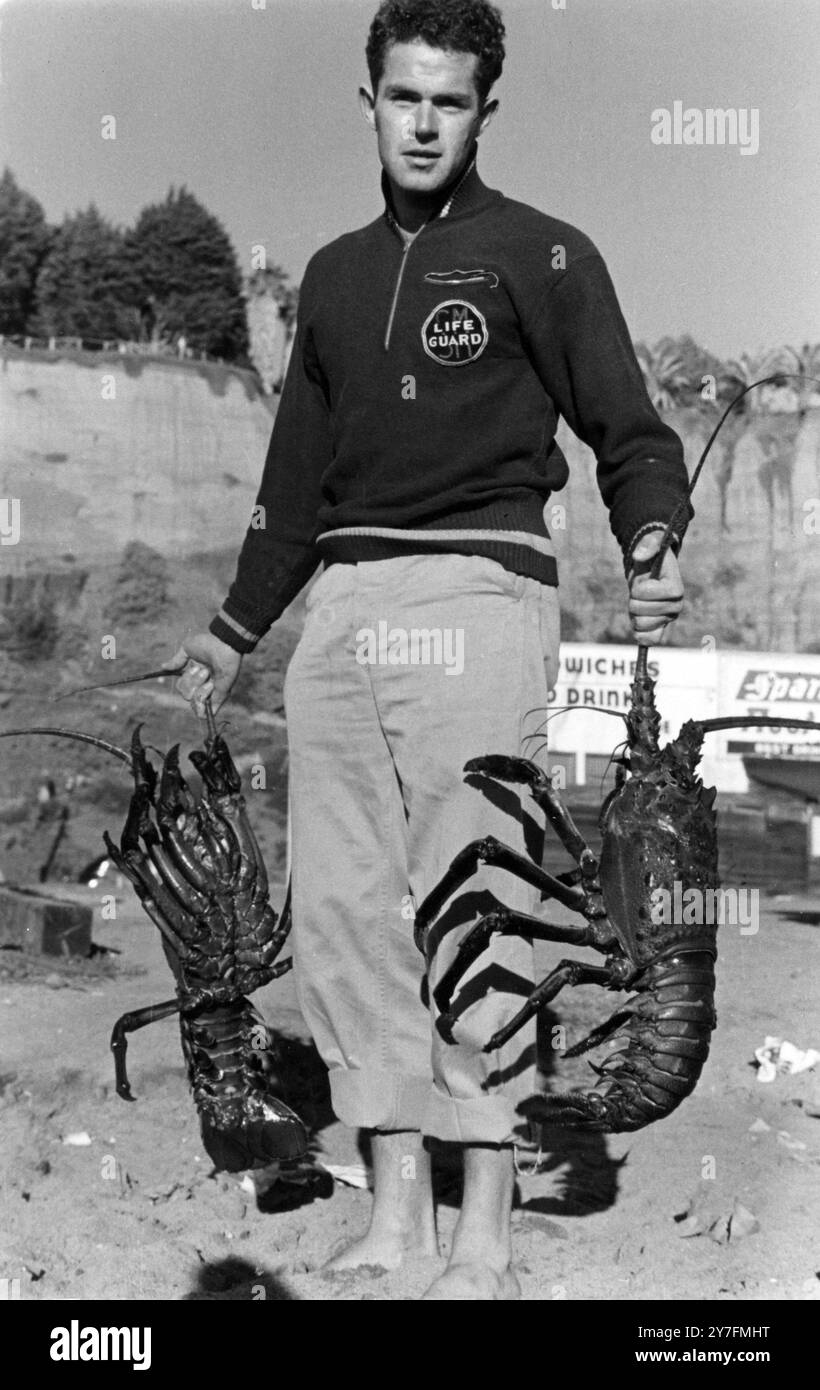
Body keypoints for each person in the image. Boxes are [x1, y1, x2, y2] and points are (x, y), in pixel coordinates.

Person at [167, 0, 688, 1300]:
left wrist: (654, 541)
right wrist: (227, 636)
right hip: (342, 607)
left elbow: (627, 427)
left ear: (482, 111)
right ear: (370, 101)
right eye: (403, 96)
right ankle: (396, 1211)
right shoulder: (337, 280)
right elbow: (293, 489)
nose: (422, 121)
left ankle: (485, 1236)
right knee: (344, 913)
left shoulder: (544, 254)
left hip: (480, 591)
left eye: (448, 101)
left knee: (474, 911)